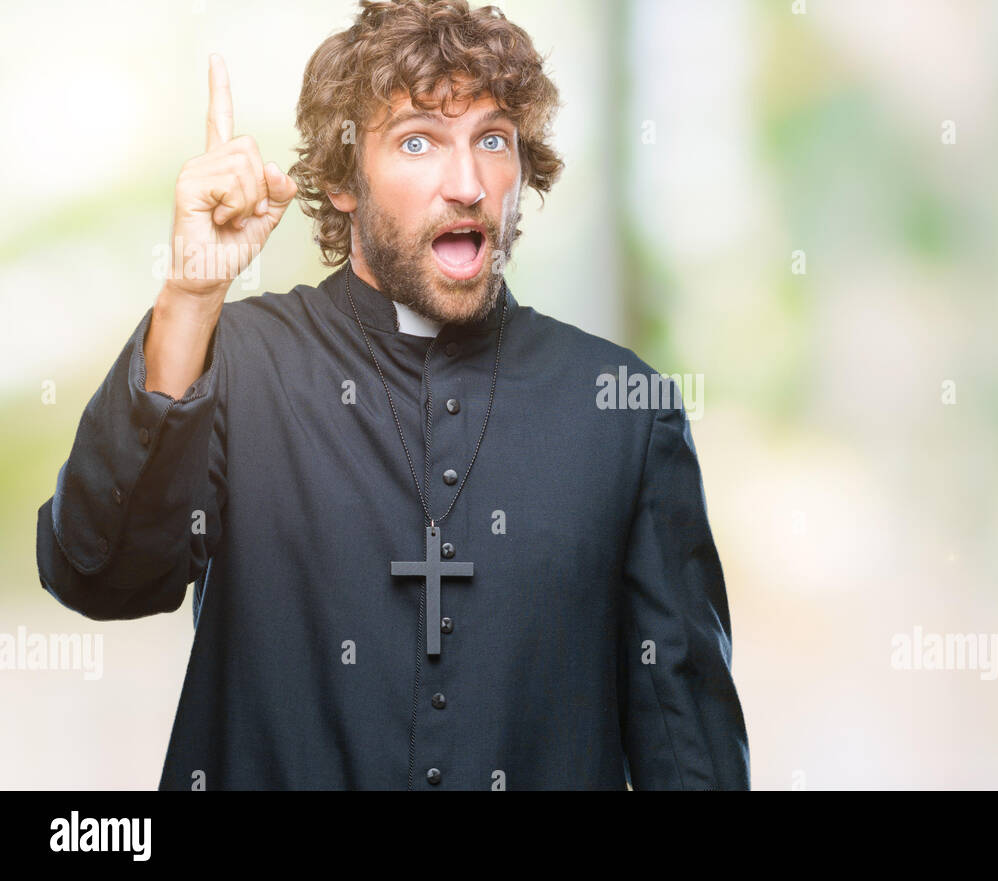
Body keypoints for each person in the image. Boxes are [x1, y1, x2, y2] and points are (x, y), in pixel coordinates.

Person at [35, 0, 749, 790]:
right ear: (344, 181)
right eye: (419, 141)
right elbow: (99, 575)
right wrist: (189, 295)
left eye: (492, 139)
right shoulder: (235, 362)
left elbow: (691, 753)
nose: (469, 182)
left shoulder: (621, 409)